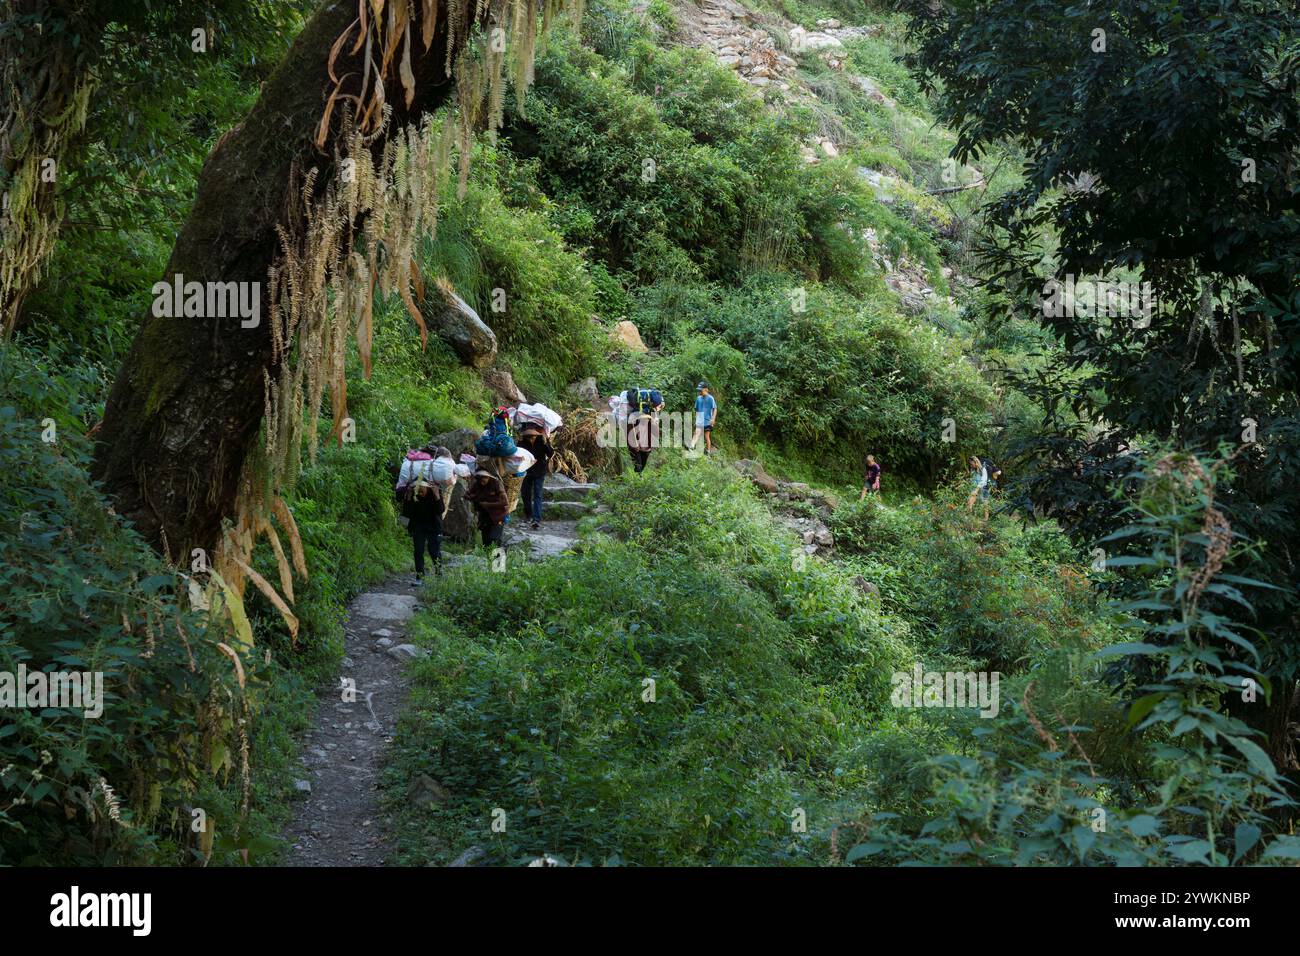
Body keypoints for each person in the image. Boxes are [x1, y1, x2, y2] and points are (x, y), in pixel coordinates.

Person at [397, 444, 444, 583]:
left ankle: (439, 574)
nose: (420, 491)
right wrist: (409, 497)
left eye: (422, 489)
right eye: (418, 489)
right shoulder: (412, 496)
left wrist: (436, 496)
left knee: (434, 551)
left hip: (433, 526)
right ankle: (420, 576)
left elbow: (440, 510)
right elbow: (406, 513)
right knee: (418, 551)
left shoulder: (434, 493)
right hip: (418, 527)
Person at [517, 426, 554, 529]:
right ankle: (528, 516)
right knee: (525, 494)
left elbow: (550, 453)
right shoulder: (521, 443)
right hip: (526, 471)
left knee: (537, 494)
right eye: (529, 437)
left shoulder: (542, 442)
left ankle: (536, 519)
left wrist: (546, 442)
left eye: (533, 437)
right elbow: (517, 454)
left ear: (536, 436)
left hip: (539, 471)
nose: (531, 439)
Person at [464, 468, 510, 550]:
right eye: (480, 478)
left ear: (489, 477)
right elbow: (467, 494)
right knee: (486, 541)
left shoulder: (497, 484)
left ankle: (501, 555)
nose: (482, 480)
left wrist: (488, 505)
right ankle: (488, 559)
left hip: (497, 516)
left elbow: (505, 502)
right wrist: (471, 497)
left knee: (494, 539)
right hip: (484, 516)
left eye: (484, 477)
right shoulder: (477, 484)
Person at [624, 386, 663, 473]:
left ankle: (638, 473)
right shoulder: (653, 414)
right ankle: (639, 473)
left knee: (638, 457)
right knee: (641, 457)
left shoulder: (634, 414)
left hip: (638, 438)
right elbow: (655, 432)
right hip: (642, 441)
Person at [690, 382, 717, 455]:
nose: (699, 392)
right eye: (699, 390)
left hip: (708, 421)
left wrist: (713, 419)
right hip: (700, 420)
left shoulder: (711, 398)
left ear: (706, 389)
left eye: (701, 390)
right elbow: (696, 410)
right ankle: (691, 446)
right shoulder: (698, 399)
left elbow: (715, 409)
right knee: (696, 433)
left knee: (706, 436)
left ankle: (708, 451)